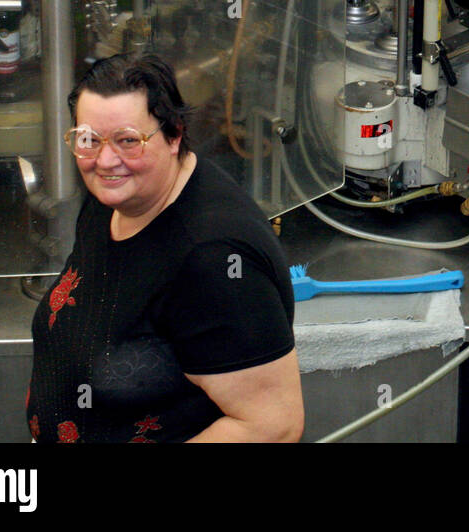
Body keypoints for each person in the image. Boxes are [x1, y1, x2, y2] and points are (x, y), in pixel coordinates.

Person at [26, 52, 304, 442]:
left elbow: (273, 426)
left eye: (127, 141)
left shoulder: (213, 258)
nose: (105, 160)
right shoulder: (117, 197)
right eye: (88, 140)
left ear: (174, 135)